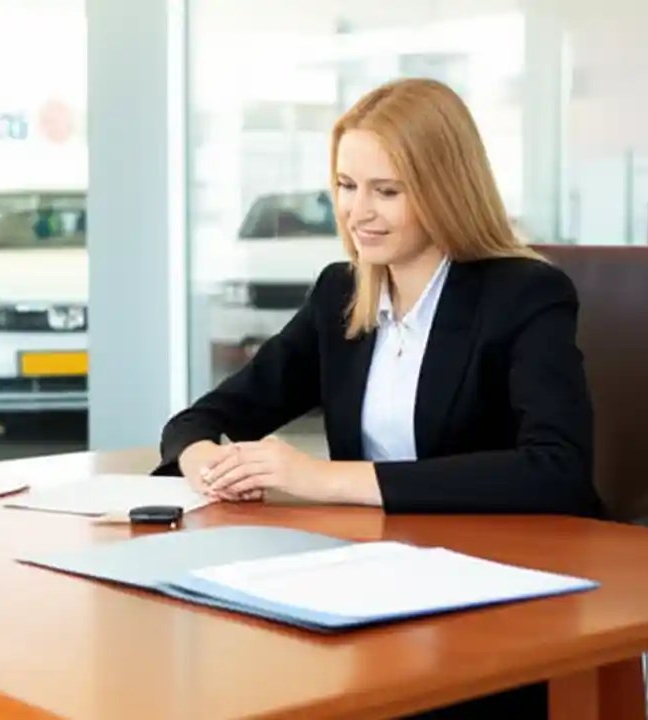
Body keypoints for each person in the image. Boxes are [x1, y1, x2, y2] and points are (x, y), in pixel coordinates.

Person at [157, 78, 607, 716]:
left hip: (501, 597)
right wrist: (200, 454)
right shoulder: (342, 293)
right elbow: (206, 416)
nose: (356, 212)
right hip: (374, 585)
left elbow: (557, 469)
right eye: (346, 186)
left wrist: (326, 479)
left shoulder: (524, 295)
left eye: (386, 191)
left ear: (445, 188)